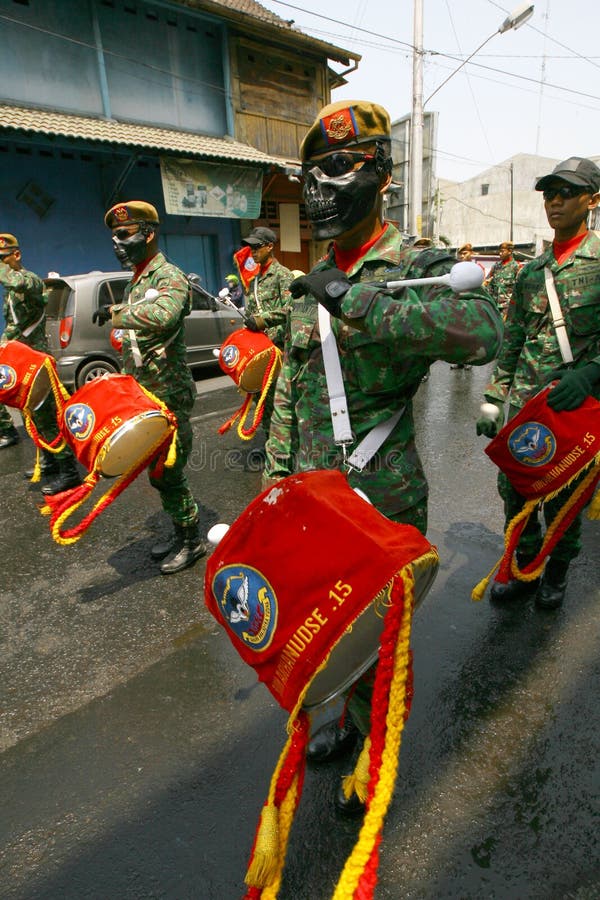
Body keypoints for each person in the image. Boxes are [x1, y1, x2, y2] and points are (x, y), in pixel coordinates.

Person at [262, 99, 503, 813]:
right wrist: (276, 485)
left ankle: (376, 750)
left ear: (381, 175)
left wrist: (357, 302)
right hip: (312, 496)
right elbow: (289, 383)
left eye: (338, 169)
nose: (318, 191)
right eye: (311, 174)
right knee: (332, 630)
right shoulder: (313, 275)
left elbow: (481, 331)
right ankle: (346, 718)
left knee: (381, 640)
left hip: (379, 494)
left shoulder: (417, 264)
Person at [476, 156, 600, 610]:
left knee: (564, 499)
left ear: (593, 199)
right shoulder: (532, 272)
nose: (555, 202)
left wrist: (591, 372)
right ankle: (525, 567)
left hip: (575, 407)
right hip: (528, 407)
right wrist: (493, 397)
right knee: (516, 491)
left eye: (566, 193)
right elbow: (512, 343)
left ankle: (558, 573)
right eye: (549, 193)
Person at [101, 201, 206, 574]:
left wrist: (117, 315)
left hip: (170, 392)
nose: (118, 242)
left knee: (168, 471)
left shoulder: (169, 276)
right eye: (114, 236)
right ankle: (180, 533)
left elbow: (163, 316)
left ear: (148, 233)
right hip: (145, 393)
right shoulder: (137, 279)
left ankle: (192, 540)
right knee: (158, 473)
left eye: (126, 234)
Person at [0, 233, 82, 494]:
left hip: (37, 362)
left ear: (17, 255)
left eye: (3, 258)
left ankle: (69, 472)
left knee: (47, 418)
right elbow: (14, 324)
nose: (0, 264)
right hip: (22, 361)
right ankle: (48, 461)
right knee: (30, 417)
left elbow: (14, 281)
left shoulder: (30, 281)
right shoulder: (11, 293)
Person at [241, 226, 293, 438]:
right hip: (261, 351)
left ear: (270, 247)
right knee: (261, 398)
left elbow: (291, 308)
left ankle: (287, 445)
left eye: (257, 247)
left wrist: (262, 320)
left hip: (279, 351)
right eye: (250, 247)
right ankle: (269, 443)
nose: (253, 252)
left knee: (281, 401)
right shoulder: (254, 281)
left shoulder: (283, 275)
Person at [484, 241, 521, 319]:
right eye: (499, 251)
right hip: (494, 305)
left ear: (510, 251)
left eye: (502, 251)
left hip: (507, 307)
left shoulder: (516, 267)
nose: (500, 253)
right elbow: (488, 283)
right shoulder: (496, 266)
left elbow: (520, 288)